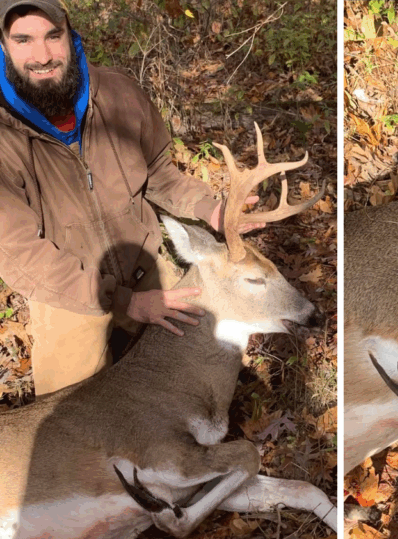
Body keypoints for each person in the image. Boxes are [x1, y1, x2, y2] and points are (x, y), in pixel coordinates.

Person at [0, 0, 243, 394]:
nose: (42, 56)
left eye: (52, 36)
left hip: (142, 266)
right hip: (69, 291)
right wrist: (126, 303)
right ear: (4, 45)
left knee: (208, 364)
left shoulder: (118, 93)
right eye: (23, 40)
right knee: (75, 424)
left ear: (70, 32)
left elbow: (160, 173)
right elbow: (20, 254)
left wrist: (212, 210)